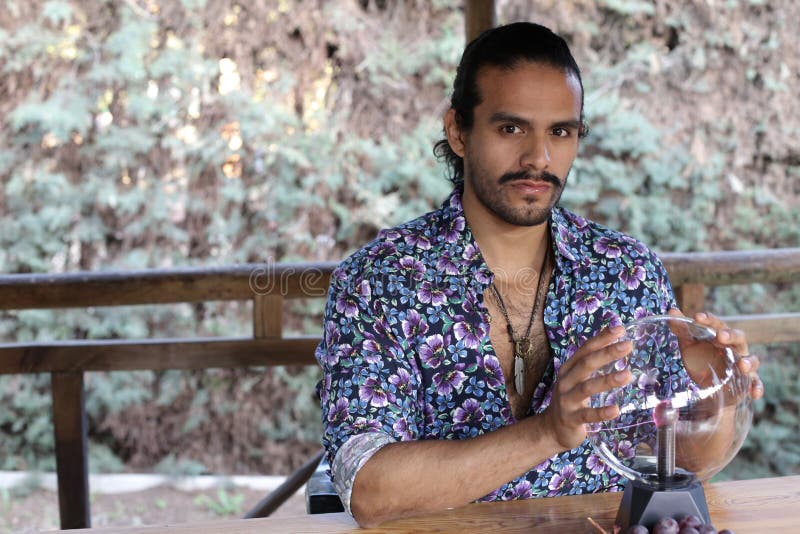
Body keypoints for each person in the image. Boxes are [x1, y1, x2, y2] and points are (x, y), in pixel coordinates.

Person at [314, 22, 763, 527]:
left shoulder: (624, 270)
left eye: (560, 132)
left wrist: (716, 396)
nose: (538, 159)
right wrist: (548, 431)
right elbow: (369, 489)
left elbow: (688, 461)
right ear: (458, 131)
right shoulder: (378, 281)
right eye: (511, 129)